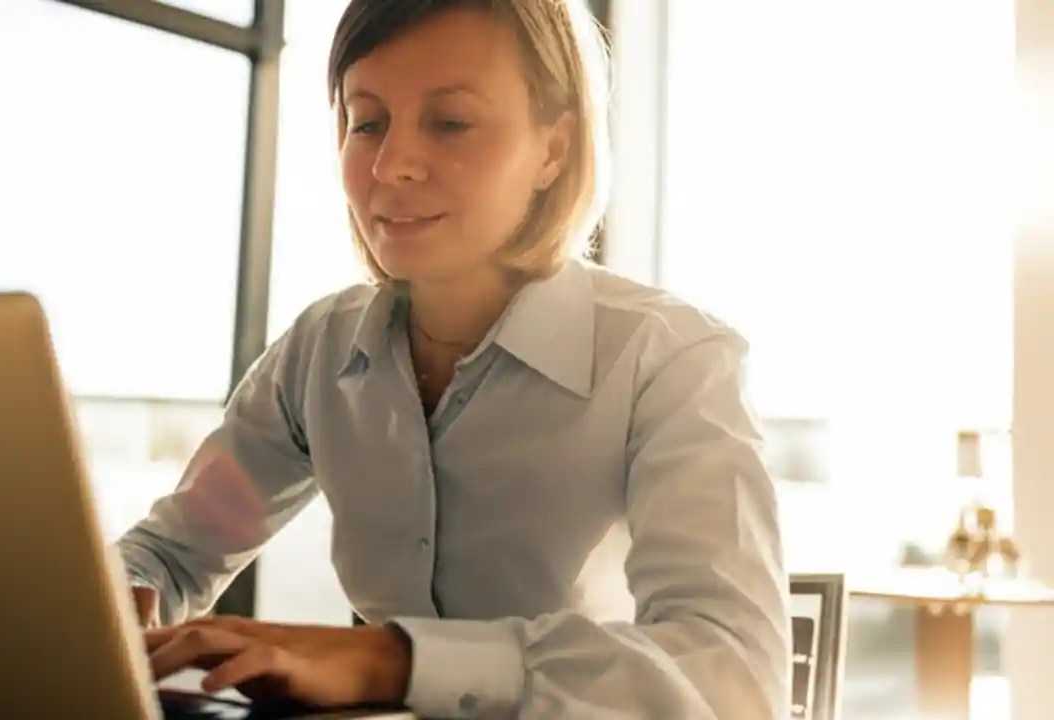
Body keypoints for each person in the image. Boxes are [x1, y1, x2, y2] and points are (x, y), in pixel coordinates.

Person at [120, 1, 790, 717]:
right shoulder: (319, 355)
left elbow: (736, 677)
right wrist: (106, 607)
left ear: (553, 149)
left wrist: (396, 661)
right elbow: (175, 553)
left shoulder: (669, 358)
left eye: (450, 123)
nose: (392, 164)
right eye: (367, 121)